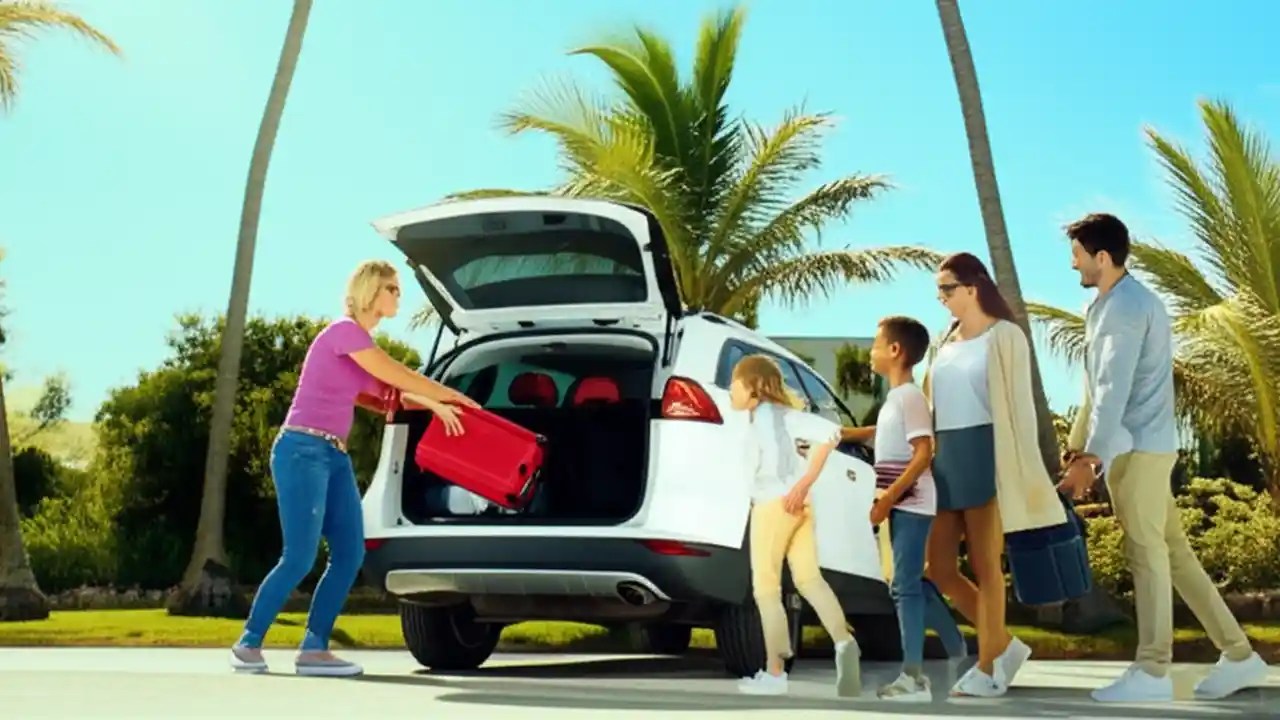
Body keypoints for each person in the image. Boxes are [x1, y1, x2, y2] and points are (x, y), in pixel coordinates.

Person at [1055, 213, 1268, 703]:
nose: (1074, 265)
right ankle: (1239, 654)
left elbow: (1114, 389)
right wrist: (1080, 442)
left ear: (1102, 257)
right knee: (1174, 553)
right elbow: (1096, 387)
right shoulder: (1107, 305)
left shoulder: (1126, 307)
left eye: (1078, 256)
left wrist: (1092, 459)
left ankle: (1152, 671)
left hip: (1138, 449)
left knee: (1145, 554)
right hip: (1137, 446)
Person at [230, 260, 478, 676]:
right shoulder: (344, 333)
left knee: (349, 553)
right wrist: (447, 394)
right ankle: (249, 643)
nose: (398, 296)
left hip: (333, 456)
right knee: (299, 556)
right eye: (393, 289)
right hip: (301, 449)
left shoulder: (359, 350)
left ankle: (314, 648)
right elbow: (397, 375)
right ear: (371, 291)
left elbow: (390, 396)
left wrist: (443, 403)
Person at [922, 252, 1066, 697]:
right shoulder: (943, 341)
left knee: (987, 566)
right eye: (938, 290)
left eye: (947, 288)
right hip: (946, 460)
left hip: (991, 455)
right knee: (938, 567)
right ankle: (1002, 644)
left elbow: (1020, 410)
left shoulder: (1006, 337)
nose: (941, 297)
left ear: (973, 287)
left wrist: (1022, 472)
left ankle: (989, 668)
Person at [729, 354, 861, 697]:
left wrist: (800, 484)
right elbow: (831, 434)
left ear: (753, 387)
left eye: (735, 383)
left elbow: (829, 437)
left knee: (766, 589)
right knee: (809, 580)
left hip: (773, 505)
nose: (731, 390)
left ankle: (775, 673)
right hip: (800, 505)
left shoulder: (764, 419)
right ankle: (845, 645)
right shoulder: (787, 417)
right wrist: (803, 486)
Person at [856, 315, 940, 702]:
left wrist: (888, 498)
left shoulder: (909, 396)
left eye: (876, 344)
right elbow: (883, 435)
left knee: (905, 587)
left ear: (894, 350)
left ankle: (913, 679)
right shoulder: (896, 399)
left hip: (912, 503)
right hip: (902, 504)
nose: (871, 352)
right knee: (906, 585)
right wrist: (843, 434)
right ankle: (951, 651)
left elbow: (924, 452)